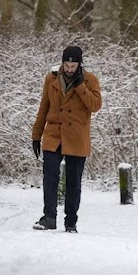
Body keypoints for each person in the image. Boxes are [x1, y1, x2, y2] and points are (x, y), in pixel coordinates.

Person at [31, 45, 102, 233]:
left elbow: (95, 105)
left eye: (73, 65)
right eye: (67, 65)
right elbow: (43, 108)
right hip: (54, 135)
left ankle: (71, 221)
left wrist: (80, 87)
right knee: (50, 177)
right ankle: (49, 217)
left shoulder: (90, 80)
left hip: (77, 138)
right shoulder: (51, 79)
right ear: (63, 63)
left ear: (80, 64)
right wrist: (36, 136)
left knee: (73, 182)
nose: (69, 69)